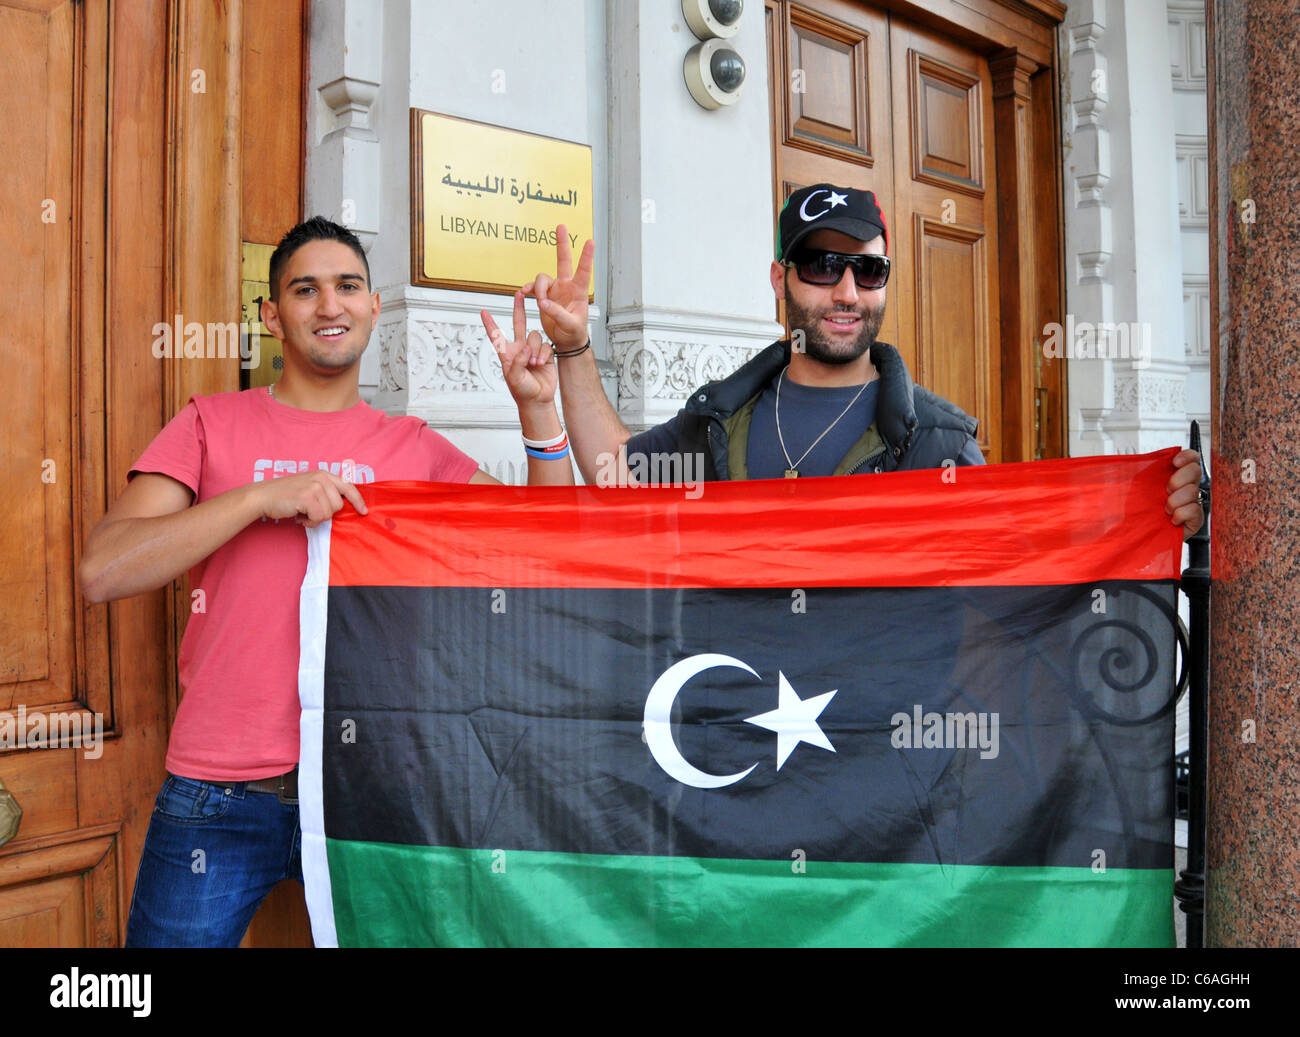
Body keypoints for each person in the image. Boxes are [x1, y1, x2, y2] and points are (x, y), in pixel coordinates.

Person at [79, 216, 571, 947]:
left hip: (373, 788)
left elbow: (544, 545)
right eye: (304, 290)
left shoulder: (411, 446)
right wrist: (253, 500)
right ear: (273, 315)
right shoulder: (209, 422)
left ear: (374, 307)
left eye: (347, 286)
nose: (329, 305)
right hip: (217, 791)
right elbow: (103, 570)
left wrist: (537, 408)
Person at [522, 183, 1205, 535]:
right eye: (821, 265)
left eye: (866, 270)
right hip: (731, 738)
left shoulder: (937, 443)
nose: (846, 291)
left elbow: (1017, 556)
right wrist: (575, 349)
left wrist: (1153, 505)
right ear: (778, 279)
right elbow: (616, 479)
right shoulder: (719, 417)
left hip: (870, 760)